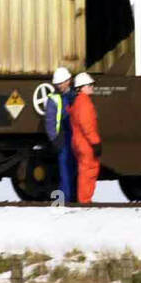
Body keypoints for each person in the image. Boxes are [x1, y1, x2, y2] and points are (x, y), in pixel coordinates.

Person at [43, 66, 75, 202]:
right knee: (65, 171)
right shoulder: (53, 99)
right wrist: (54, 139)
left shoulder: (75, 96)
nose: (60, 86)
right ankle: (64, 200)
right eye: (58, 84)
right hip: (62, 137)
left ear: (69, 81)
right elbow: (50, 121)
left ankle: (74, 199)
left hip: (75, 137)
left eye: (62, 82)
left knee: (74, 169)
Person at [69, 72, 102, 204]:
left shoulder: (78, 101)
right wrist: (96, 142)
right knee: (88, 170)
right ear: (81, 87)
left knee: (86, 170)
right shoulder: (84, 102)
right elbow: (87, 126)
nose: (91, 87)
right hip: (85, 143)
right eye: (89, 85)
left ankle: (85, 199)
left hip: (79, 142)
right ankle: (85, 200)